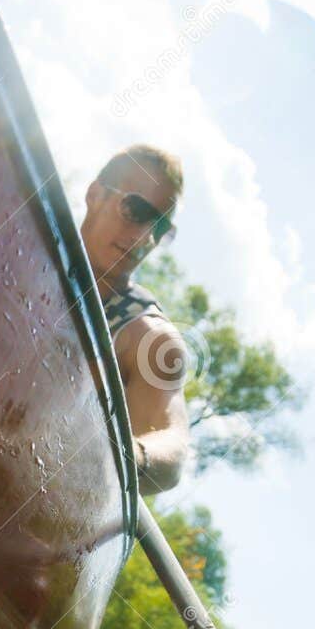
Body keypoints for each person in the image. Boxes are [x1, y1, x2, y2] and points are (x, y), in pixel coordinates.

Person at [80, 145, 190, 496]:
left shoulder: (150, 337)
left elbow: (172, 444)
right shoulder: (16, 242)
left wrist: (124, 460)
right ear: (95, 194)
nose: (146, 238)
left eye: (161, 229)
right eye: (136, 210)